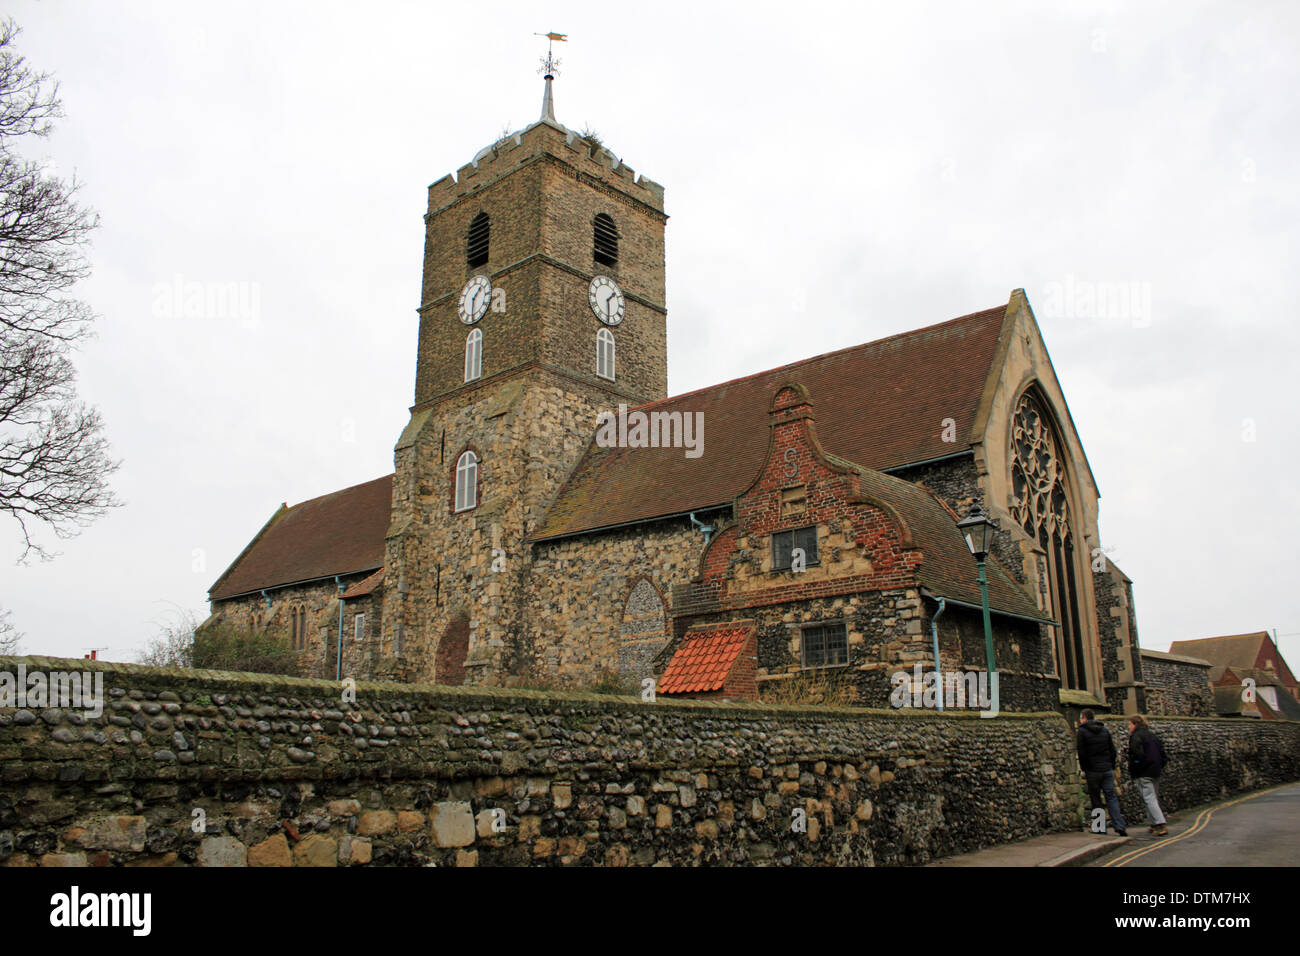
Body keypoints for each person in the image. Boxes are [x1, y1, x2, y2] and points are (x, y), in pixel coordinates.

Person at [1076, 708, 1127, 836]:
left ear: (1084, 718)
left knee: (1096, 799)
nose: (1080, 720)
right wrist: (1110, 765)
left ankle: (1100, 828)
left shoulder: (1082, 731)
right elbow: (1112, 750)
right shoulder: (1104, 730)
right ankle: (1119, 826)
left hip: (1092, 771)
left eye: (1081, 718)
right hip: (1107, 769)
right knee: (1111, 798)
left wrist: (1085, 767)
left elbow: (1081, 753)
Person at [1127, 714, 1169, 836]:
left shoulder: (1136, 736)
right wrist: (1159, 765)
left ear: (1135, 724)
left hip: (1143, 772)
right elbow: (1163, 755)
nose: (1129, 727)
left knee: (1149, 798)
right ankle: (1153, 823)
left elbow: (1136, 754)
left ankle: (1160, 824)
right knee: (1152, 798)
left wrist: (1136, 766)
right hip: (1155, 770)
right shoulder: (1152, 736)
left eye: (1129, 724)